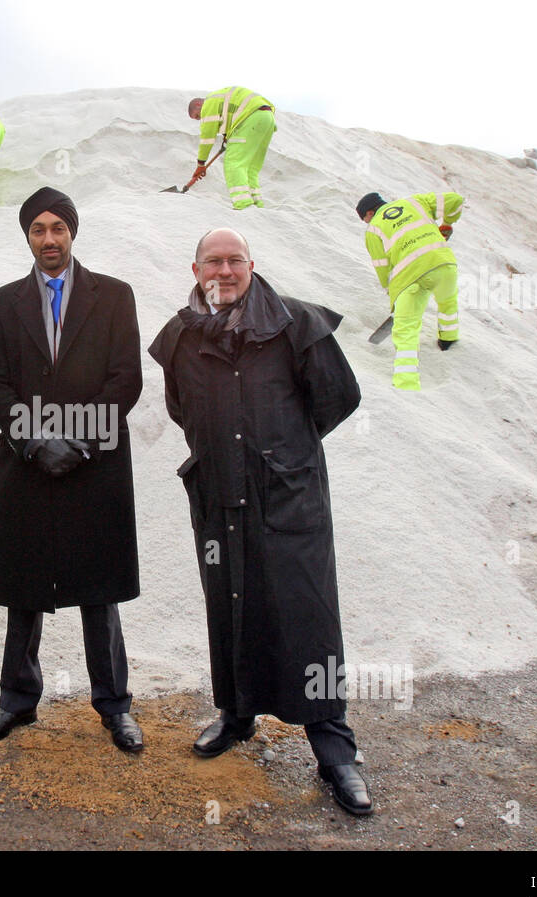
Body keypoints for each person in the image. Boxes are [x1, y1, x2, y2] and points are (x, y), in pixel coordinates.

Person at [147, 228, 373, 816]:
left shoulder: (297, 323)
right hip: (219, 494)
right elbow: (181, 409)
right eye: (212, 262)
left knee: (307, 612)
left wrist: (283, 451)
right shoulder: (179, 336)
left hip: (288, 497)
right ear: (194, 268)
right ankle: (236, 715)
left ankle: (334, 749)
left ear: (252, 263)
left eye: (234, 260)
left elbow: (337, 398)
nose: (223, 271)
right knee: (229, 604)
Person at [0, 186, 144, 752]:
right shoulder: (2, 302)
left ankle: (114, 706)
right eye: (39, 229)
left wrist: (83, 443)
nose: (49, 238)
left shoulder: (115, 296)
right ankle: (16, 704)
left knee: (100, 591)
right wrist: (35, 442)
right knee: (25, 589)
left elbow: (125, 378)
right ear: (27, 236)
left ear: (72, 232)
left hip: (95, 467)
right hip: (28, 465)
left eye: (58, 228)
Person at [357, 190, 466, 390]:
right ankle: (448, 340)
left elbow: (382, 266)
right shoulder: (415, 202)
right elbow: (456, 200)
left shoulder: (373, 230)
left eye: (364, 219)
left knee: (406, 329)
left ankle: (406, 383)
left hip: (409, 278)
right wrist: (448, 223)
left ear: (370, 213)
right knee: (448, 301)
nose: (366, 223)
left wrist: (393, 293)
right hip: (443, 263)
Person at [187, 87, 276, 209]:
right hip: (267, 118)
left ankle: (243, 204)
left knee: (233, 163)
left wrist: (201, 164)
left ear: (198, 104)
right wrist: (227, 136)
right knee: (250, 168)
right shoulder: (220, 99)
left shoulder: (209, 104)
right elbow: (232, 115)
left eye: (197, 116)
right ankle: (257, 204)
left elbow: (207, 138)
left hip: (250, 119)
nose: (200, 119)